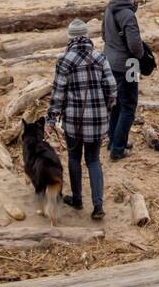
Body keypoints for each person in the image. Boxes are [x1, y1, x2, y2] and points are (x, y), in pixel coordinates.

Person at [46, 18, 117, 219]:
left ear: (70, 38)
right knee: (94, 160)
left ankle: (77, 199)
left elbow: (58, 94)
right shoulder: (100, 57)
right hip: (97, 120)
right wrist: (107, 109)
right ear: (86, 36)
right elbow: (112, 88)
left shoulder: (65, 60)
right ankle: (98, 206)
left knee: (74, 158)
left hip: (74, 121)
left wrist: (51, 120)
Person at [102, 0, 143, 161]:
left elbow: (103, 35)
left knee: (117, 104)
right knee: (128, 106)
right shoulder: (127, 14)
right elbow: (135, 46)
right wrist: (143, 56)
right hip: (129, 64)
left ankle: (114, 141)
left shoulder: (109, 9)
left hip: (109, 61)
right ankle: (118, 149)